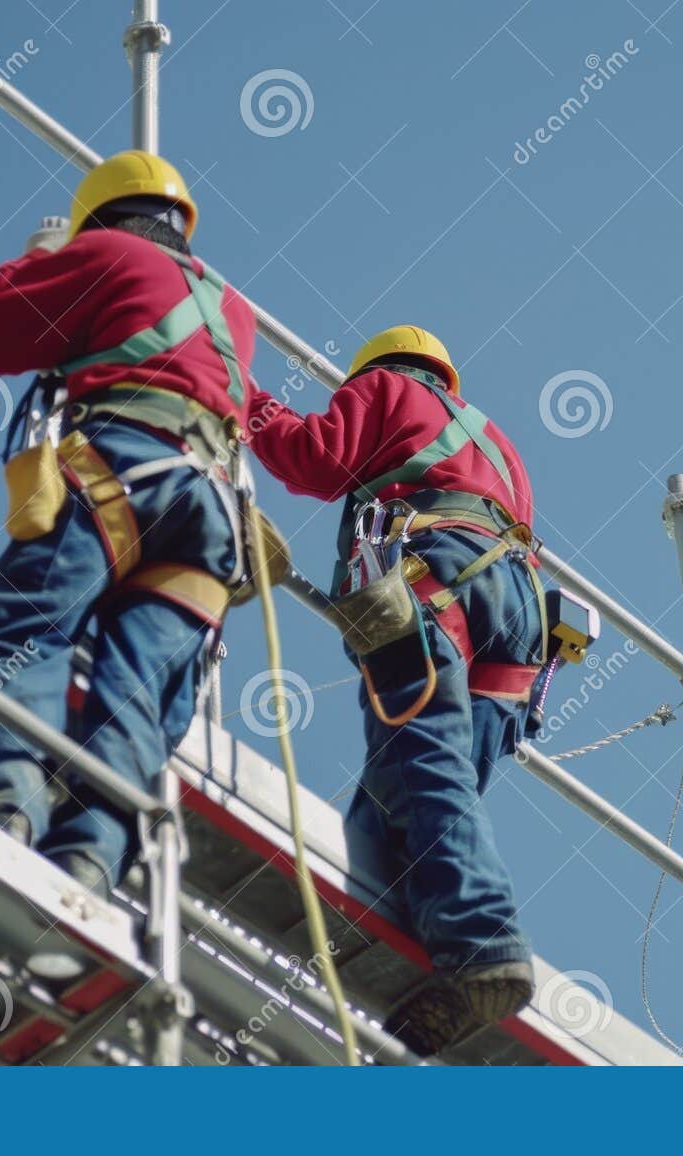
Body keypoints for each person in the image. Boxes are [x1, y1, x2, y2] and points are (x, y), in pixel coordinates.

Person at [0, 151, 257, 900]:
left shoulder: (104, 253)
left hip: (122, 473)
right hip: (212, 521)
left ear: (103, 217)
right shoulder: (231, 306)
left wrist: (41, 260)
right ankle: (91, 856)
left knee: (30, 632)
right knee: (137, 696)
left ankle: (3, 799)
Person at [246, 325, 543, 1055]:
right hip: (517, 618)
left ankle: (482, 941)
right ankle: (426, 963)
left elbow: (315, 459)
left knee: (426, 762)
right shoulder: (498, 445)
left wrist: (244, 400)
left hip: (441, 584)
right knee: (405, 802)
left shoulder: (383, 388)